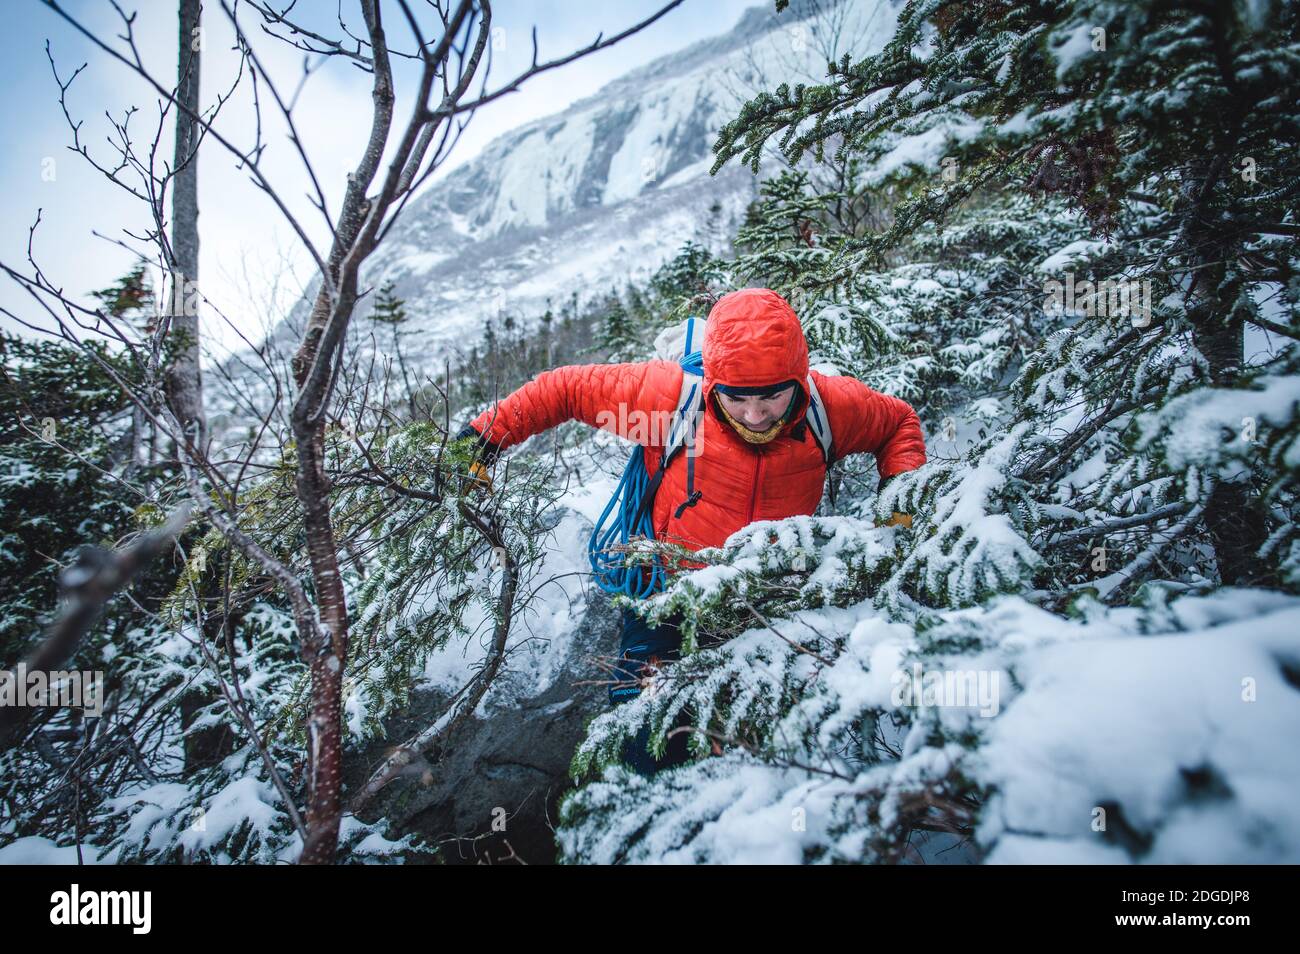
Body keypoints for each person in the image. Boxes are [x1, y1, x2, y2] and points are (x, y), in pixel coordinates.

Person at [454, 287, 927, 775]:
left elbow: (898, 423)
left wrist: (901, 503)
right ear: (714, 384)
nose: (756, 414)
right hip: (669, 596)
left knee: (768, 751)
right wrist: (483, 440)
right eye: (738, 398)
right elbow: (566, 389)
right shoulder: (671, 401)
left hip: (773, 599)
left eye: (773, 397)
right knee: (647, 736)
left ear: (799, 381)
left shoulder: (829, 410)